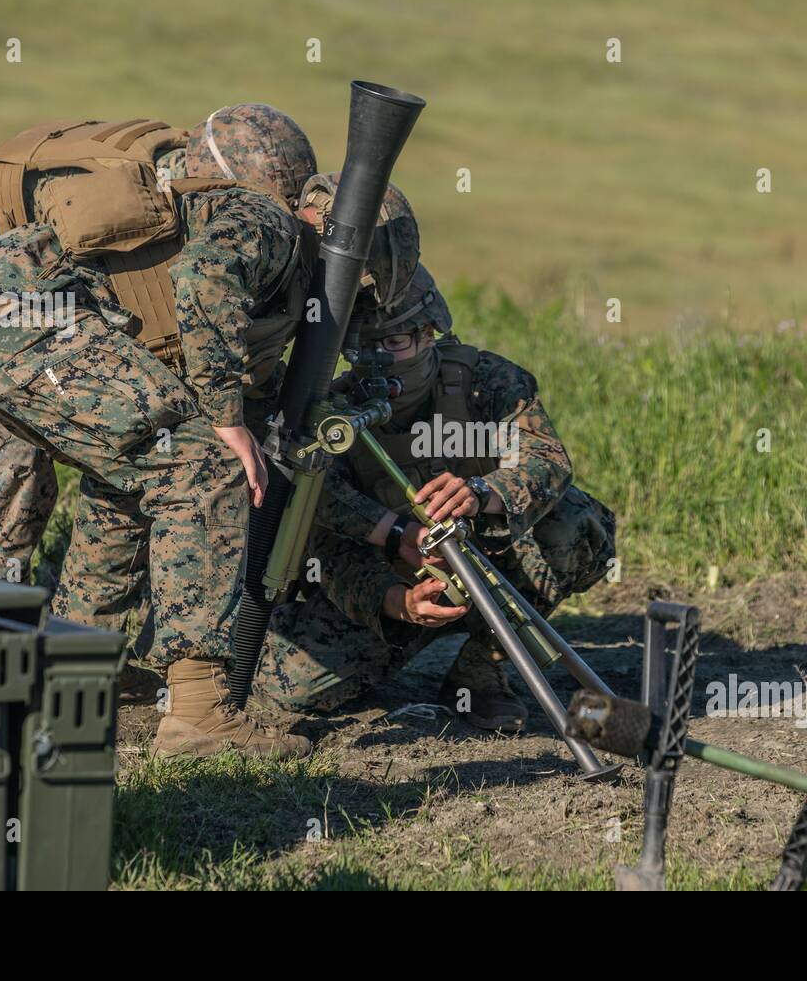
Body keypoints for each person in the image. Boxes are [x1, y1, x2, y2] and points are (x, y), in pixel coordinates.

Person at [0, 105, 318, 703]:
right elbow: (206, 278)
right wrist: (226, 420)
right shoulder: (256, 218)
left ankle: (75, 666)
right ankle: (195, 713)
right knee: (195, 464)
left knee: (129, 466)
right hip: (13, 315)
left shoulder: (165, 194)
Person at [255, 176, 617, 731]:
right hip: (393, 582)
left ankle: (481, 672)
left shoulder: (485, 380)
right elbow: (322, 541)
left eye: (393, 342)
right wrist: (397, 600)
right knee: (294, 689)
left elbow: (548, 461)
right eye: (361, 346)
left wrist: (482, 494)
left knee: (578, 524)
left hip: (487, 562)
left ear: (430, 333)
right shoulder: (334, 414)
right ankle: (402, 652)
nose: (376, 360)